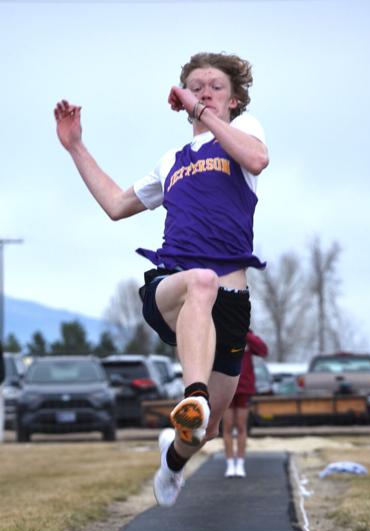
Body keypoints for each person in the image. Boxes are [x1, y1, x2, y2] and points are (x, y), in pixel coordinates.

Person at [54, 51, 269, 507]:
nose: (205, 91)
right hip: (174, 287)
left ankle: (173, 461)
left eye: (215, 87)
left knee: (206, 431)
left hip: (231, 306)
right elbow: (115, 204)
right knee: (201, 281)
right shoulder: (170, 161)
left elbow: (255, 160)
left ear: (234, 101)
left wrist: (202, 114)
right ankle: (192, 394)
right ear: (182, 95)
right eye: (196, 85)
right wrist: (76, 146)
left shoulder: (245, 132)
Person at [222, 329, 268, 478]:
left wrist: (245, 333)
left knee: (241, 426)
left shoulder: (248, 335)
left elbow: (263, 350)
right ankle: (230, 464)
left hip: (244, 387)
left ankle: (240, 463)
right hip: (226, 386)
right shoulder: (223, 332)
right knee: (227, 426)